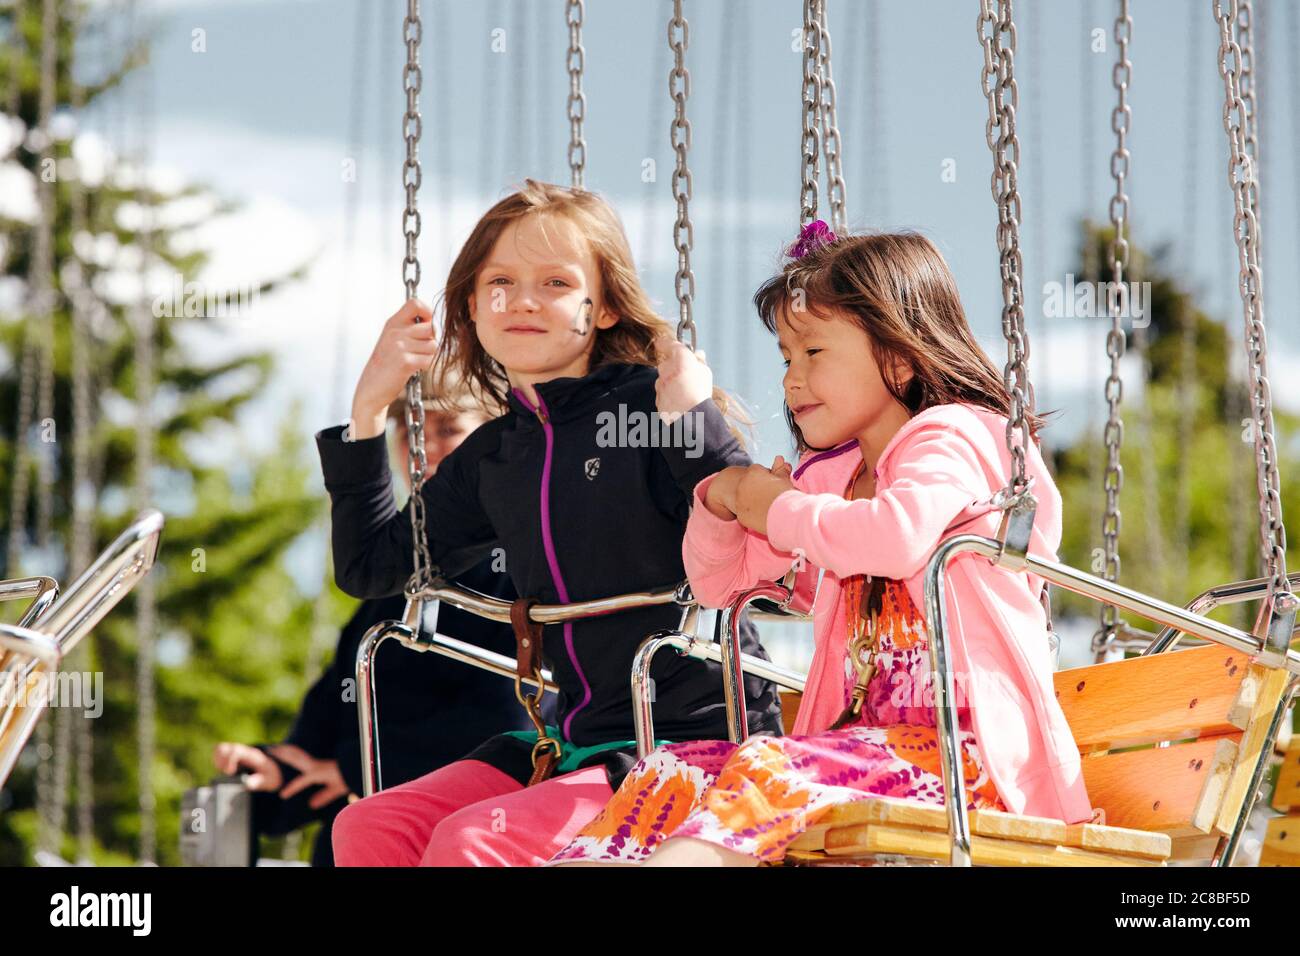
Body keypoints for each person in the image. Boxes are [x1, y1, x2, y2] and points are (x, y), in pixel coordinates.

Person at [549, 225, 1096, 867]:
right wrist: (724, 504)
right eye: (786, 357)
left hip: (965, 765)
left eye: (814, 353)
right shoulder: (831, 479)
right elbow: (721, 585)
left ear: (898, 355)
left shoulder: (954, 437)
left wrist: (780, 509)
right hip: (855, 752)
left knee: (765, 767)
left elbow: (894, 537)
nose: (792, 380)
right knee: (667, 773)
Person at [317, 179, 783, 866]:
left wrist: (691, 413)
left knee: (471, 842)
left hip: (693, 742)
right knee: (369, 828)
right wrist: (368, 412)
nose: (525, 299)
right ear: (471, 308)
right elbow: (372, 568)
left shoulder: (645, 411)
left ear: (603, 309)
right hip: (575, 740)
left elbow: (741, 509)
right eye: (500, 281)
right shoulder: (495, 456)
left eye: (556, 282)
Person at [212, 394, 547, 865]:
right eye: (413, 434)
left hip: (470, 835)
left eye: (448, 429)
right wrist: (279, 767)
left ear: (490, 435)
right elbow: (338, 700)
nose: (427, 448)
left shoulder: (525, 566)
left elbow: (515, 718)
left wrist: (350, 768)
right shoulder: (393, 584)